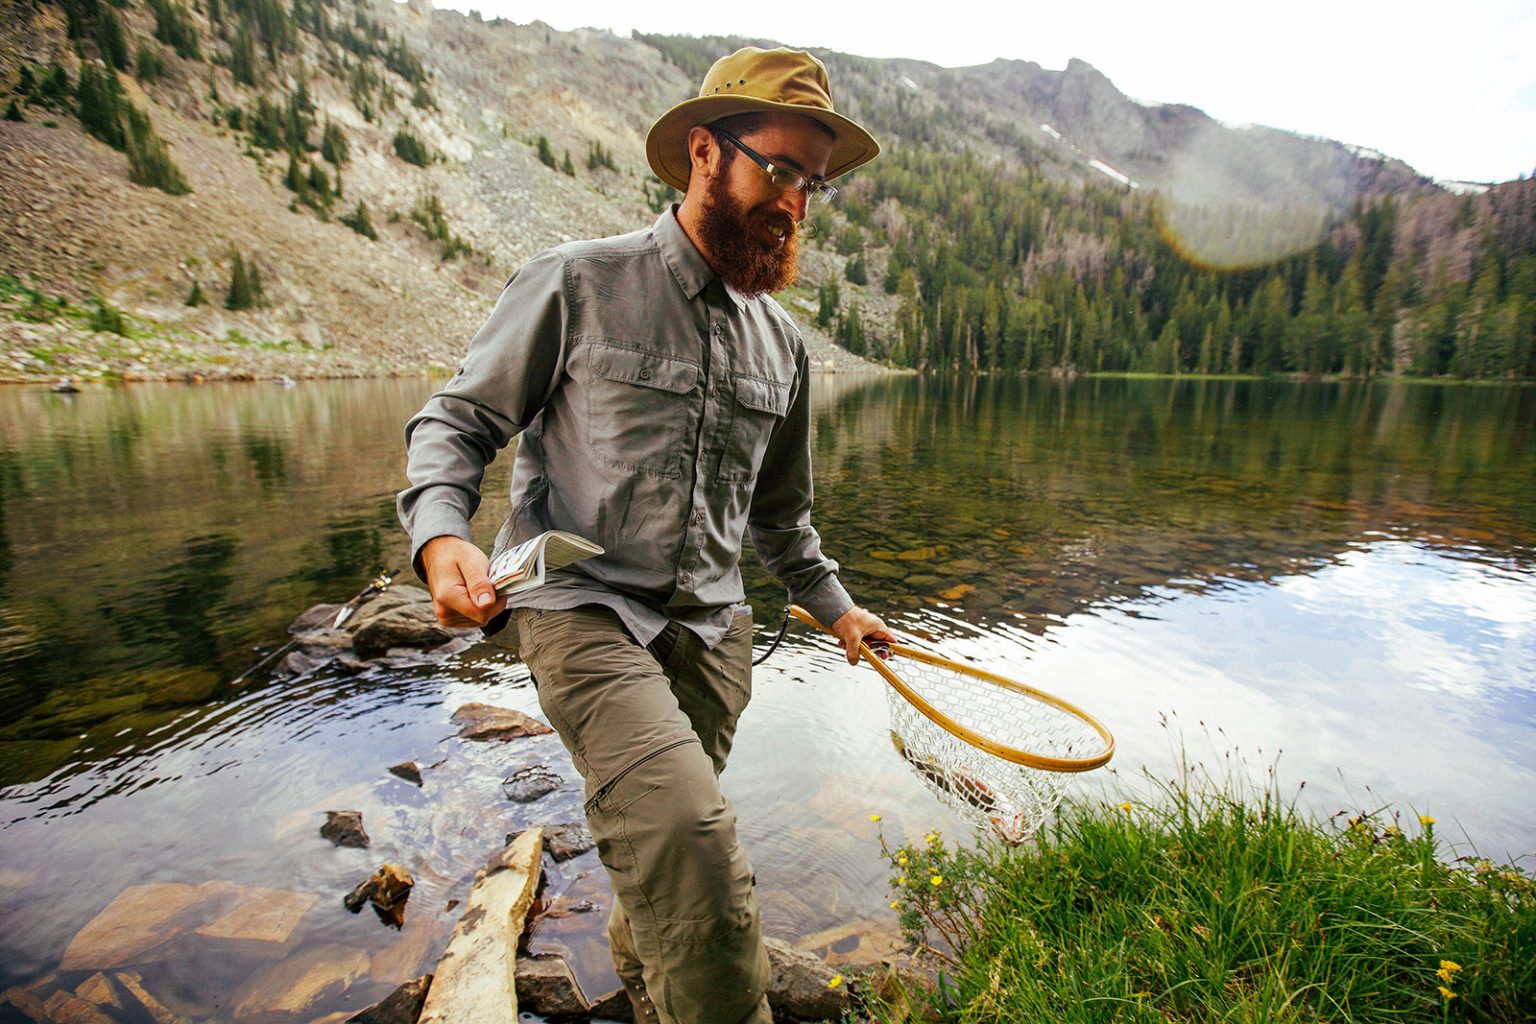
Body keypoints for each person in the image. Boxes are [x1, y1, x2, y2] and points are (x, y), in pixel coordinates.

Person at [397, 46, 893, 1024]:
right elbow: (456, 423)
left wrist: (838, 610)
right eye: (780, 170)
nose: (796, 201)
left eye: (814, 183)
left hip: (714, 642)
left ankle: (643, 988)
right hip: (580, 607)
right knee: (696, 840)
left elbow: (781, 518)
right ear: (705, 151)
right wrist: (440, 534)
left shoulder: (783, 348)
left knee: (659, 851)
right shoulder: (577, 282)